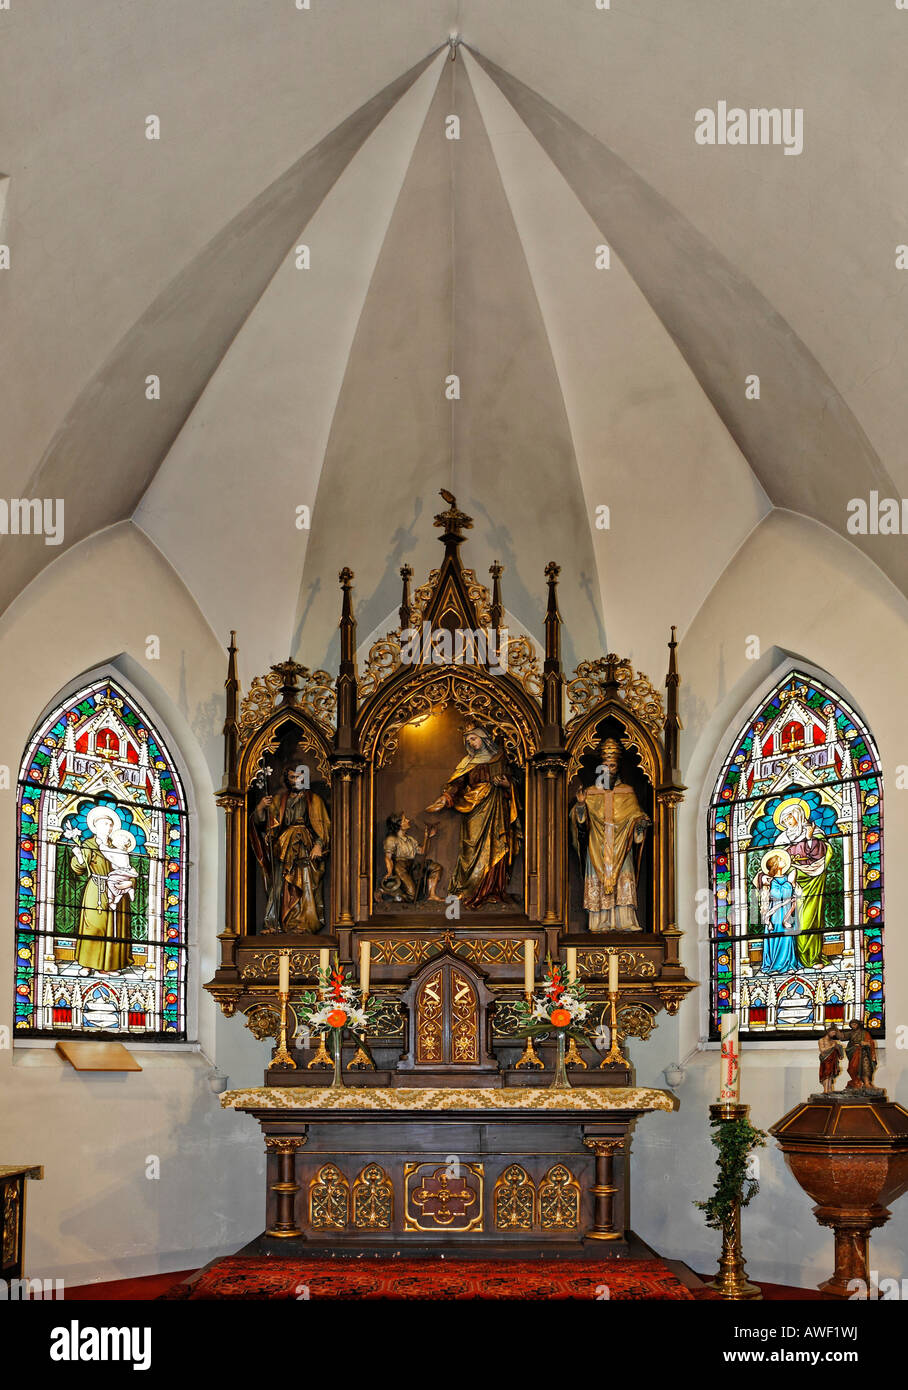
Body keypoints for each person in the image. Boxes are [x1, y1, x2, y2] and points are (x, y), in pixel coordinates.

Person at [426, 724, 520, 909]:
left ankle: (493, 890)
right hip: (473, 809)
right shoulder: (467, 763)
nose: (471, 743)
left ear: (483, 738)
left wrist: (507, 785)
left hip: (496, 810)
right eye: (468, 740)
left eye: (474, 738)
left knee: (496, 846)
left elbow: (515, 783)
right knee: (471, 849)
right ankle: (469, 889)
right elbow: (457, 785)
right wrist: (445, 798)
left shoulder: (500, 759)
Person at [570, 738, 650, 932]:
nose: (608, 769)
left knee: (624, 878)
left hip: (622, 847)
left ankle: (625, 922)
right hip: (597, 847)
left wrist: (640, 824)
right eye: (605, 765)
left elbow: (635, 817)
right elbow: (579, 824)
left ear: (618, 767)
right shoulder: (590, 793)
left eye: (612, 765)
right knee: (597, 879)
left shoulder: (627, 792)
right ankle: (599, 923)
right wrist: (580, 805)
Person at [251, 763, 330, 932]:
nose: (295, 781)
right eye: (292, 777)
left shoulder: (314, 800)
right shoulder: (279, 800)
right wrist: (261, 807)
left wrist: (318, 845)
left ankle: (304, 923)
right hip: (283, 847)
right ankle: (274, 924)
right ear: (287, 780)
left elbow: (324, 826)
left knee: (305, 882)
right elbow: (263, 823)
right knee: (280, 883)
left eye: (299, 777)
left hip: (305, 847)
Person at [67, 807, 136, 972]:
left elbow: (127, 868)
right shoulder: (88, 844)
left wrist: (130, 883)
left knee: (115, 929)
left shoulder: (118, 844)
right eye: (104, 824)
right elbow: (79, 868)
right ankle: (88, 964)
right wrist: (78, 856)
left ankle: (112, 965)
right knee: (93, 926)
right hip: (96, 889)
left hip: (118, 888)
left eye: (110, 824)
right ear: (95, 826)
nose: (108, 827)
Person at [773, 797, 831, 968]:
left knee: (808, 920)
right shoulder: (782, 838)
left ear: (798, 815)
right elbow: (775, 862)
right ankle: (792, 959)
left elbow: (823, 853)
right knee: (790, 920)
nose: (787, 822)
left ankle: (812, 958)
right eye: (783, 820)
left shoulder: (814, 831)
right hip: (789, 883)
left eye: (789, 817)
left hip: (812, 879)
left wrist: (809, 837)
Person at [380, 813, 445, 904]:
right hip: (400, 867)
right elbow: (388, 858)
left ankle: (432, 895)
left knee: (436, 867)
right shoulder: (391, 839)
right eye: (404, 820)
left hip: (412, 865)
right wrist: (390, 872)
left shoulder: (410, 839)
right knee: (412, 896)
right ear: (399, 825)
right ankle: (386, 893)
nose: (408, 820)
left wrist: (427, 837)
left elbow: (423, 851)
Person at [753, 849, 800, 973]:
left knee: (787, 938)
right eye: (779, 860)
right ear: (774, 865)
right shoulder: (768, 882)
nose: (783, 860)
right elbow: (765, 900)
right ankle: (774, 964)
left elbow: (795, 897)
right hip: (774, 914)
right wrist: (767, 920)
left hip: (787, 913)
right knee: (774, 937)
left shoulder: (790, 877)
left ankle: (789, 964)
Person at [845, 1017, 878, 1090]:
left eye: (855, 1024)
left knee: (865, 1068)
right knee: (852, 1068)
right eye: (852, 1024)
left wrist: (865, 1043)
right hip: (854, 1053)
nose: (853, 1026)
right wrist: (835, 1031)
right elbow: (842, 1036)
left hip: (864, 1053)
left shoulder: (865, 1033)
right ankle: (857, 1082)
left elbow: (870, 1043)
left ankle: (866, 1083)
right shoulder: (850, 1033)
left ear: (858, 1025)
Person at [818, 1023, 844, 1093]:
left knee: (831, 1075)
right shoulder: (822, 1040)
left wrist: (838, 1048)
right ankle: (825, 1090)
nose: (834, 1034)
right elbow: (822, 1050)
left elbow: (838, 1051)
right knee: (826, 1074)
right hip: (826, 1059)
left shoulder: (833, 1041)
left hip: (833, 1059)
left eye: (835, 1033)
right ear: (828, 1032)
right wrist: (832, 1046)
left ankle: (829, 1089)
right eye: (833, 1032)